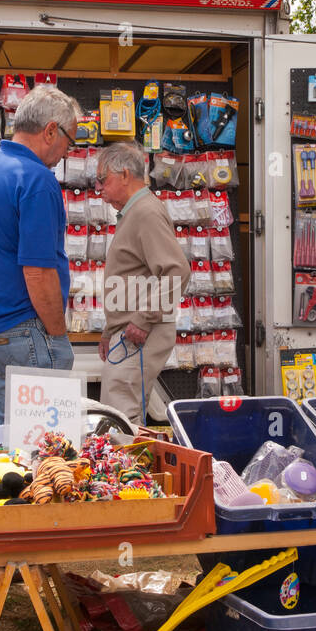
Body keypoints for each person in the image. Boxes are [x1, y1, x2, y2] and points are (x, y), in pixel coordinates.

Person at [0, 84, 82, 439]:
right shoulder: (37, 180)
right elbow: (39, 271)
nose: (65, 153)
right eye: (69, 142)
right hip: (22, 327)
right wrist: (58, 334)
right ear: (50, 131)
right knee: (34, 445)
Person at [96, 142, 190, 426]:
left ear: (125, 174)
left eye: (103, 180)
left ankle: (130, 470)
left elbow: (177, 271)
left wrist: (142, 318)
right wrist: (110, 330)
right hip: (131, 332)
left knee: (120, 417)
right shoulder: (137, 211)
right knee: (123, 414)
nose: (99, 189)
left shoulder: (145, 212)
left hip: (139, 334)